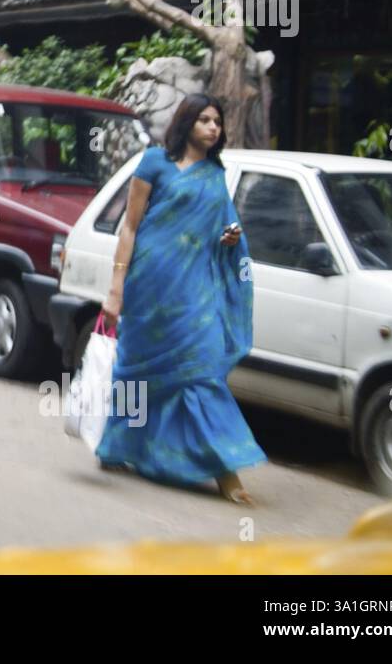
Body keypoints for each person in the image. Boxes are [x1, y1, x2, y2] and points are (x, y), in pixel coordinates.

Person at [98, 93, 263, 505]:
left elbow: (226, 228)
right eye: (205, 120)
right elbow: (130, 227)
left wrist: (229, 238)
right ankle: (121, 446)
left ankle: (227, 472)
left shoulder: (214, 173)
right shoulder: (154, 162)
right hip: (149, 284)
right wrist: (116, 290)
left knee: (201, 373)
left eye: (217, 122)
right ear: (187, 122)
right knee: (137, 372)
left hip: (195, 291)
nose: (213, 128)